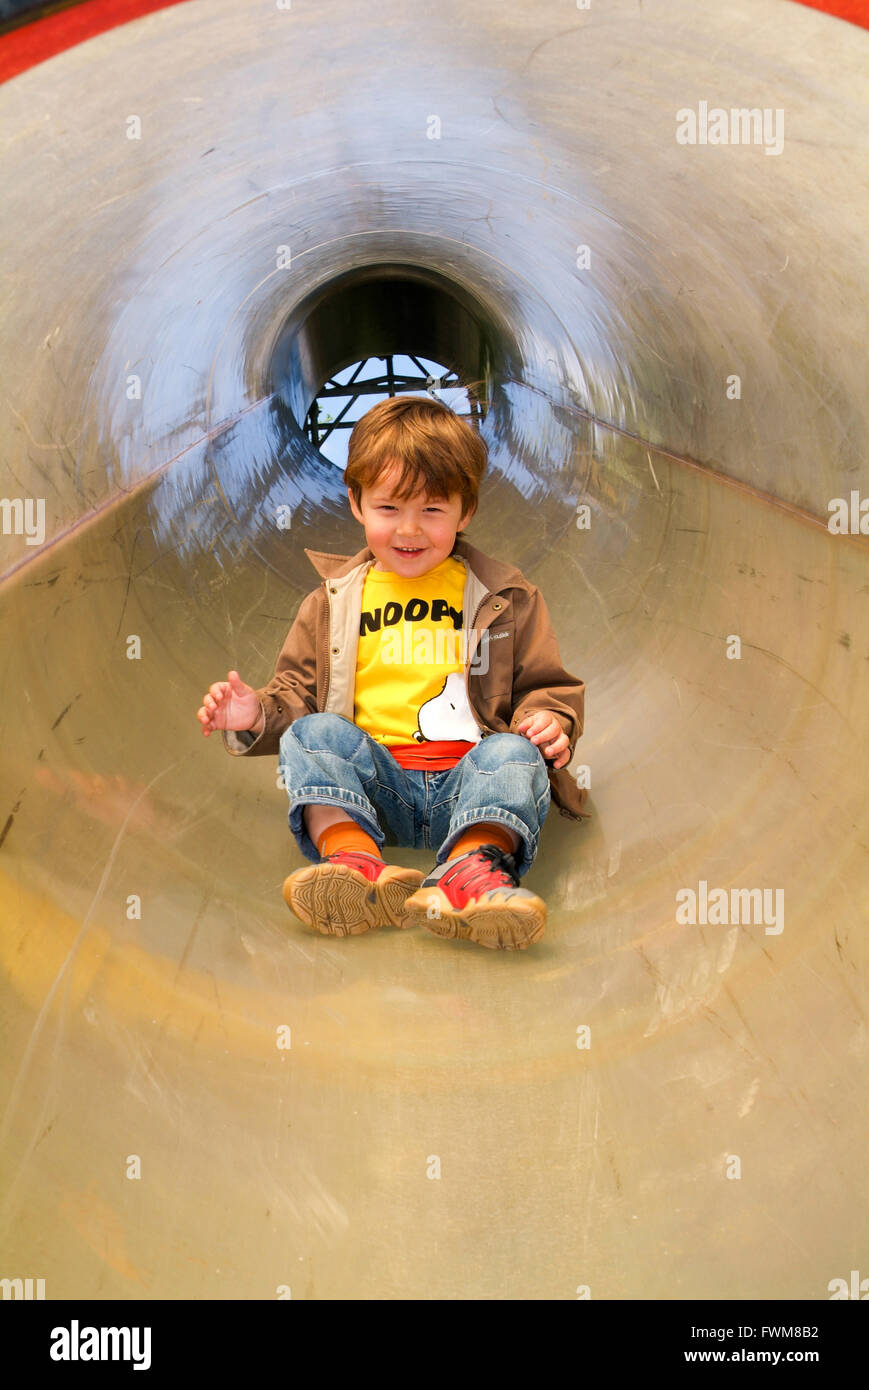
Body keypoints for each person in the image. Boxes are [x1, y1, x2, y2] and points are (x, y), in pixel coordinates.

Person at [196, 395, 589, 949]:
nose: (409, 530)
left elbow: (545, 684)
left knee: (515, 755)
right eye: (388, 509)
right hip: (373, 785)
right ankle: (355, 861)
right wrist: (255, 712)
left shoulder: (507, 597)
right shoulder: (332, 601)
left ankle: (469, 867)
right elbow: (297, 695)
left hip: (469, 783)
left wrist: (549, 719)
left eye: (432, 511)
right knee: (313, 735)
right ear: (356, 502)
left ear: (465, 510)